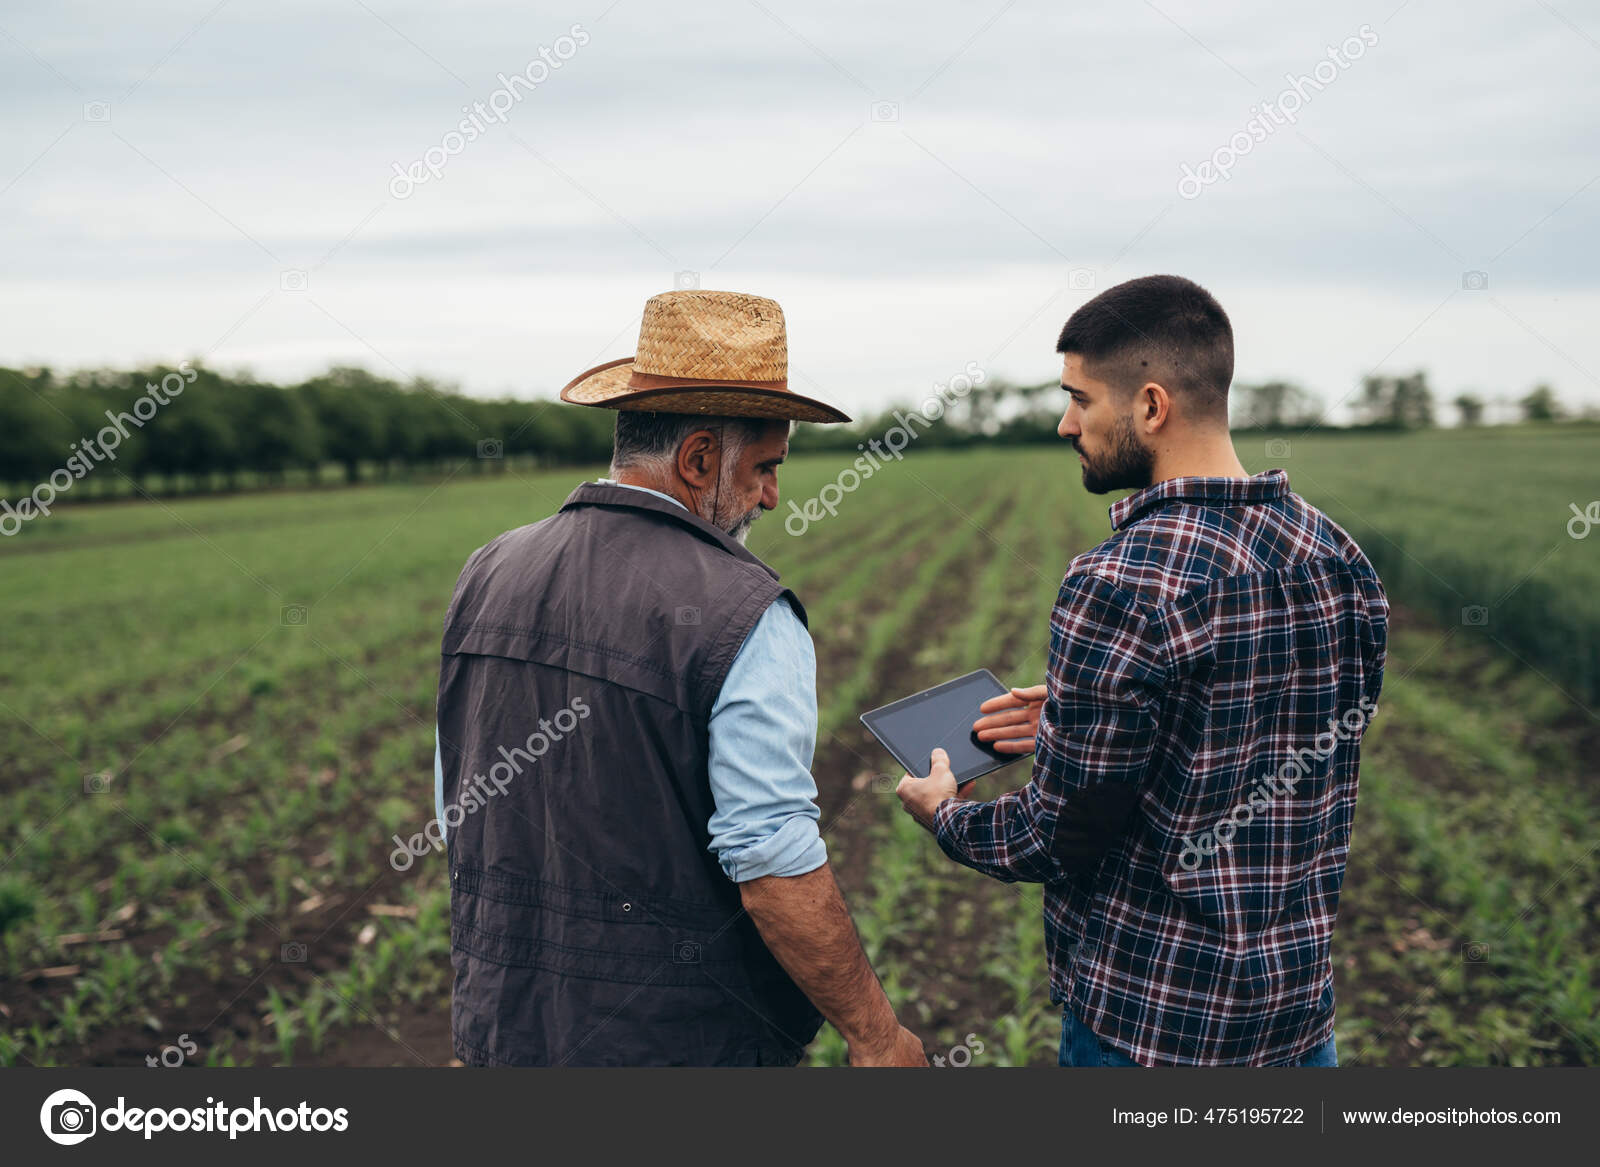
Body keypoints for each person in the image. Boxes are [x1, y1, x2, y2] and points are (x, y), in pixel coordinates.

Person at [896, 274, 1389, 1067]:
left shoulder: (1120, 582)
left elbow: (1053, 838)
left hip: (1151, 1032)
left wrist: (943, 813)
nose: (1065, 424)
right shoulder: (1338, 557)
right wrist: (1087, 705)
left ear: (1151, 406)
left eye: (1079, 399)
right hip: (1300, 1021)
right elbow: (1277, 718)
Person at [434, 288, 925, 1067]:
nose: (771, 494)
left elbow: (460, 806)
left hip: (505, 1027)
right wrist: (876, 1035)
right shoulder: (747, 610)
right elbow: (771, 858)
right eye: (765, 467)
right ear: (699, 457)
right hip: (678, 1045)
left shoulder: (487, 569)